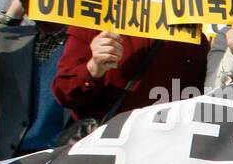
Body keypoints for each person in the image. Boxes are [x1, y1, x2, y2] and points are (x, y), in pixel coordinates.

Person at [53, 27, 209, 125]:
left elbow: (198, 100)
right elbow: (65, 94)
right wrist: (94, 68)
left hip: (163, 150)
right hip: (103, 149)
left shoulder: (190, 33)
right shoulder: (92, 24)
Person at [0, 0, 68, 158]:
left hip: (63, 158)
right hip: (8, 161)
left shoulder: (86, 43)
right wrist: (9, 18)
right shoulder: (8, 42)